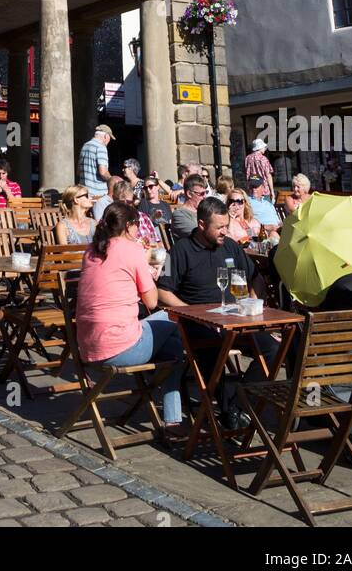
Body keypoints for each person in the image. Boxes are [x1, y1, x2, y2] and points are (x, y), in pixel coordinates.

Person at [156, 197, 276, 432]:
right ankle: (229, 412)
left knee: (273, 348)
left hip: (235, 317)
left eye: (226, 225)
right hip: (200, 323)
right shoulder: (179, 250)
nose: (224, 231)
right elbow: (162, 290)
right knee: (214, 350)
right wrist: (191, 313)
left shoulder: (230, 245)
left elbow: (256, 278)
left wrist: (251, 303)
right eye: (219, 227)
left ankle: (238, 404)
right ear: (201, 225)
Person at [76, 203, 185, 433]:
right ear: (128, 226)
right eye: (137, 225)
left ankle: (172, 415)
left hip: (88, 347)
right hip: (121, 349)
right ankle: (174, 414)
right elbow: (153, 302)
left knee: (173, 347)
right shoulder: (131, 250)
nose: (139, 231)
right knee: (174, 317)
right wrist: (148, 270)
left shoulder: (91, 249)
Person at [77, 124, 115, 199]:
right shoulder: (101, 147)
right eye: (110, 138)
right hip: (98, 195)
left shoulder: (85, 146)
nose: (109, 141)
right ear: (106, 136)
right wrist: (113, 180)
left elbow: (78, 171)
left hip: (83, 194)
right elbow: (103, 172)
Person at [171, 174, 207, 239]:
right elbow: (199, 235)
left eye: (206, 192)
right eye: (201, 194)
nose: (205, 196)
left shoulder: (204, 211)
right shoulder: (179, 214)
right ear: (189, 194)